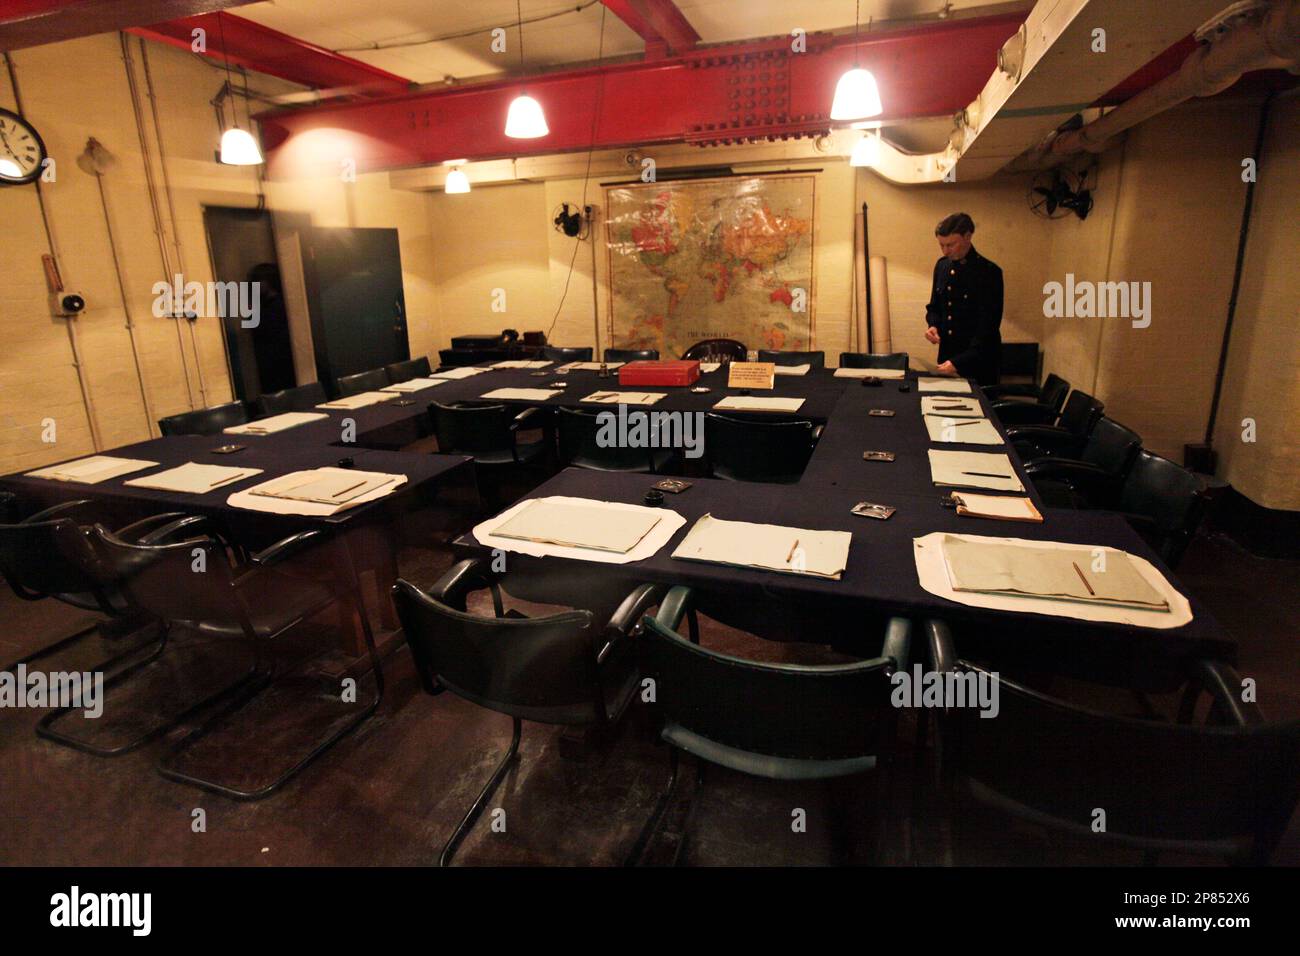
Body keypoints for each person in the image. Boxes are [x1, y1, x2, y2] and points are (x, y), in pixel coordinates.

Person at [924, 213, 1003, 386]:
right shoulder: (942, 266)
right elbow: (935, 306)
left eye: (951, 245)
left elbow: (988, 327)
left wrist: (960, 362)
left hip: (978, 361)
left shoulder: (989, 272)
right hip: (947, 356)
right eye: (941, 245)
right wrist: (933, 325)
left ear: (968, 236)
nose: (945, 251)